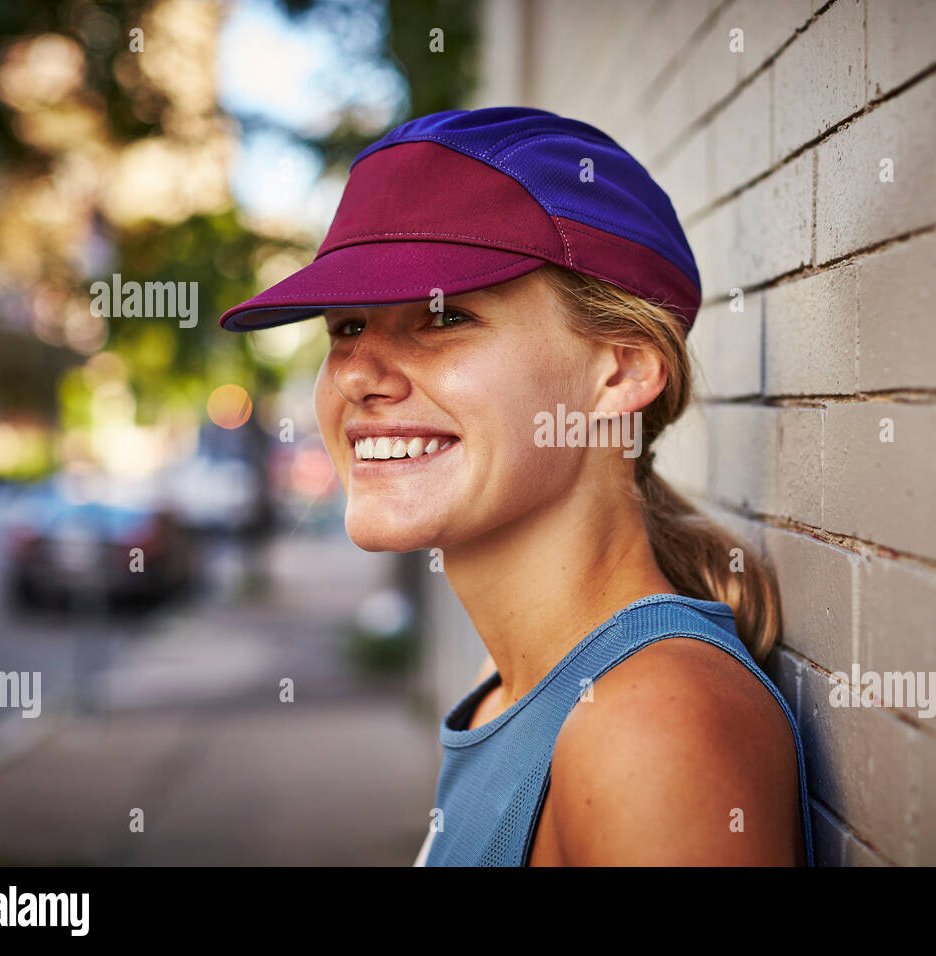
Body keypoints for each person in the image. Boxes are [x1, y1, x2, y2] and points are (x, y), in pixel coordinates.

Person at [219, 106, 814, 867]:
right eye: (346, 327)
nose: (359, 375)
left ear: (621, 370)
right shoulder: (507, 688)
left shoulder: (648, 727)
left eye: (444, 317)